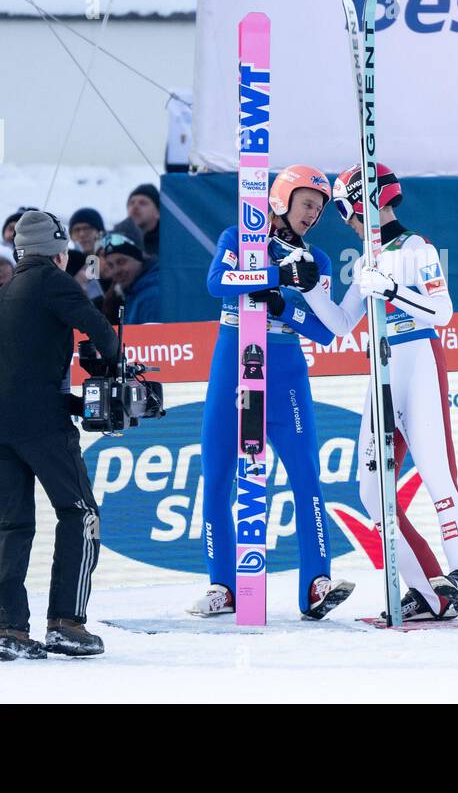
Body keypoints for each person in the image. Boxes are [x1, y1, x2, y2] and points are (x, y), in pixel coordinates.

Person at [302, 164, 458, 621]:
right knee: (370, 491)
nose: (347, 223)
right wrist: (306, 288)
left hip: (418, 359)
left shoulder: (415, 247)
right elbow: (341, 324)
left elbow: (442, 312)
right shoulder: (365, 261)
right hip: (380, 366)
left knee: (437, 476)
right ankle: (428, 590)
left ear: (364, 201)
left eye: (346, 210)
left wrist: (394, 289)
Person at [190, 164, 354, 621]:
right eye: (307, 204)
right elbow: (216, 283)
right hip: (233, 360)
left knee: (306, 476)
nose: (312, 216)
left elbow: (325, 332)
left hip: (285, 369)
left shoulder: (316, 261)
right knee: (218, 473)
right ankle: (223, 586)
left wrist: (287, 305)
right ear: (282, 199)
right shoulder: (237, 238)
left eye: (320, 210)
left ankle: (316, 585)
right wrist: (274, 274)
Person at [0, 210, 121, 661]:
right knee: (81, 514)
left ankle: (8, 630)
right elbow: (98, 327)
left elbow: (20, 373)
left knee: (14, 526)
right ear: (59, 253)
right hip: (39, 425)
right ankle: (66, 624)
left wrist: (77, 404)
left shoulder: (2, 294)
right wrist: (115, 363)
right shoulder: (52, 280)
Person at [100, 232, 161, 325]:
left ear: (139, 259)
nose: (116, 271)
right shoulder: (134, 293)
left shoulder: (151, 296)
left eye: (121, 262)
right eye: (110, 265)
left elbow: (156, 338)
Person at [126, 183, 162, 257]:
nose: (135, 206)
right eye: (131, 203)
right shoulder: (116, 243)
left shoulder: (168, 246)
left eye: (143, 203)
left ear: (158, 213)